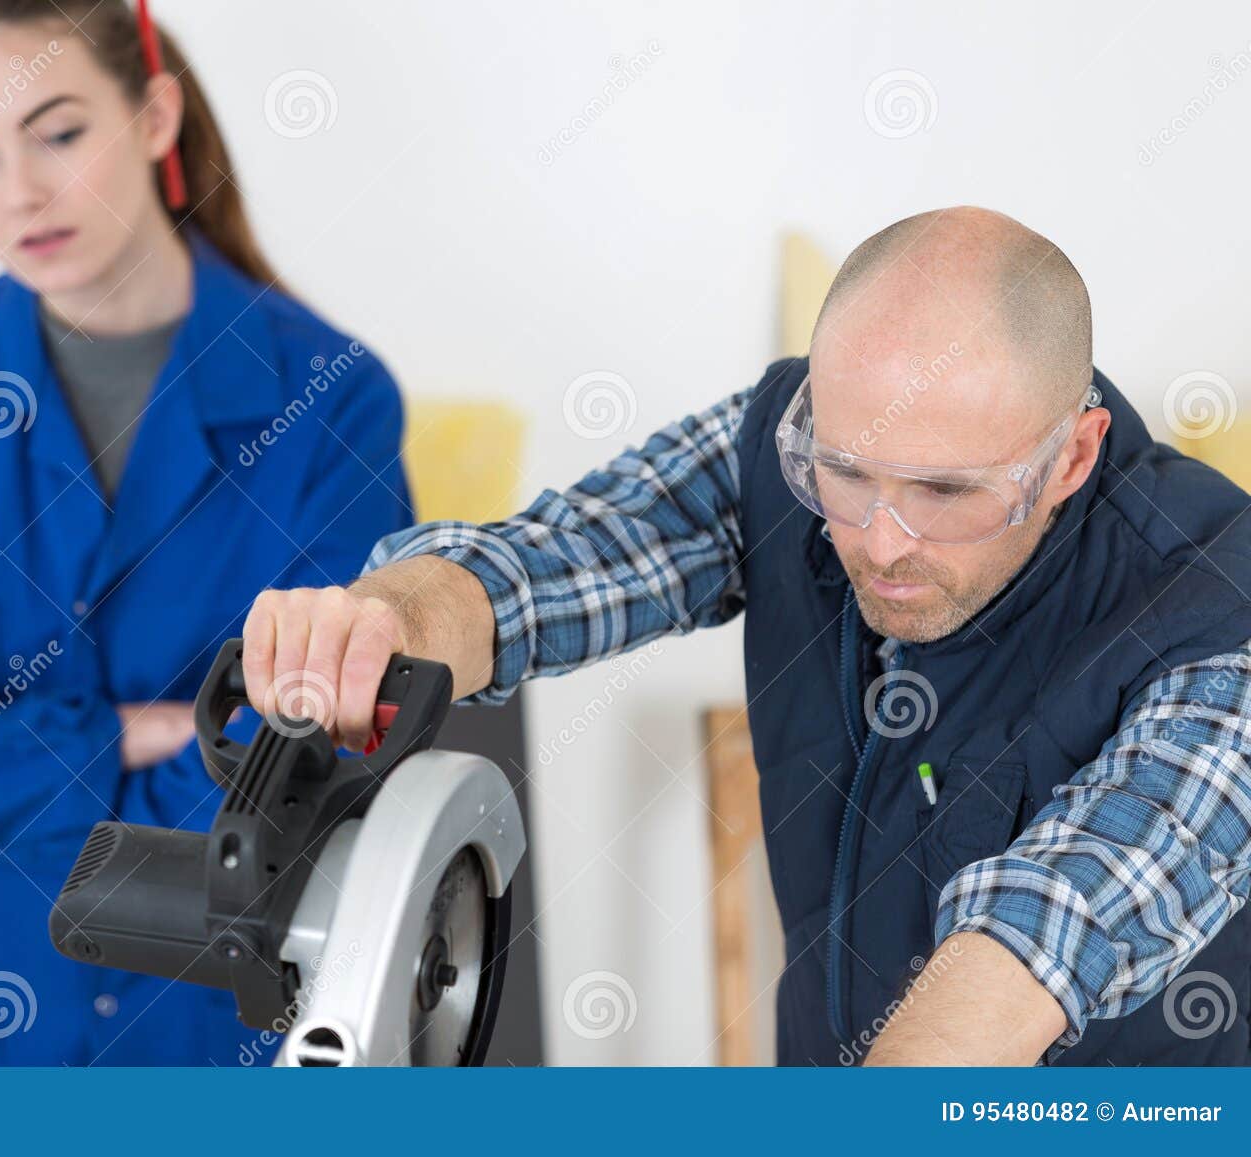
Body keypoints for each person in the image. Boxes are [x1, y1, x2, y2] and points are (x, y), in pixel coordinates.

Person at [241, 207, 1251, 1066]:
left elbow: (1046, 931)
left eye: (945, 492)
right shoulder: (787, 440)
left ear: (1069, 455)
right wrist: (396, 618)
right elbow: (566, 557)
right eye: (846, 473)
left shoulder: (1219, 619)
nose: (877, 542)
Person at [0, 0, 412, 1066]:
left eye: (59, 134)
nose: (17, 194)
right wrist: (130, 732)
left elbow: (318, 748)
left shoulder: (328, 397)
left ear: (155, 114)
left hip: (219, 1024)